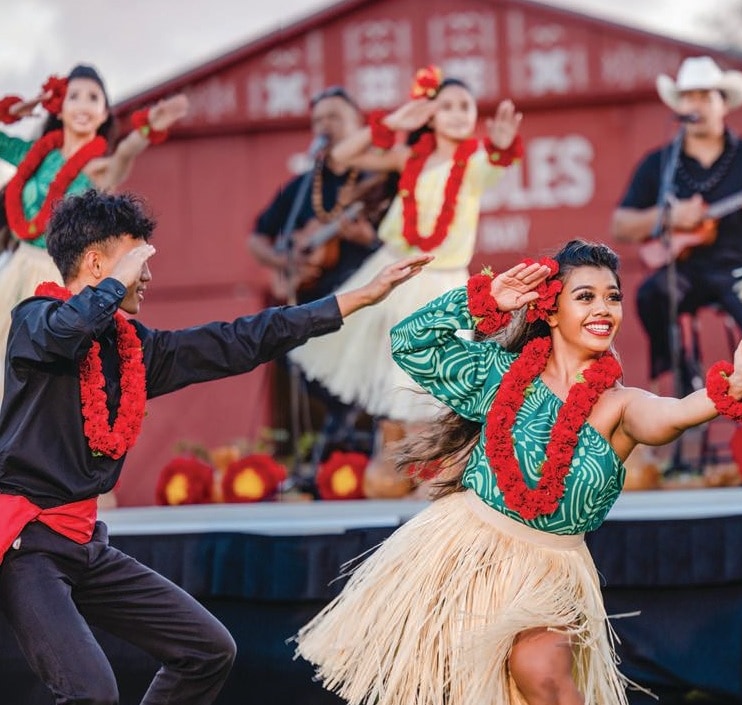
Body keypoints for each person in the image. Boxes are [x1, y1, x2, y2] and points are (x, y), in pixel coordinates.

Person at [294, 239, 742, 705]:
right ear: (549, 311)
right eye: (585, 296)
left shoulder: (620, 407)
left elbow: (672, 414)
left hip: (550, 571)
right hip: (463, 555)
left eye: (612, 297)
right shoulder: (499, 376)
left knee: (542, 673)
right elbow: (411, 344)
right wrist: (486, 300)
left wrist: (732, 388)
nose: (603, 309)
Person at [0, 189, 431, 705]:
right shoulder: (35, 321)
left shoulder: (136, 351)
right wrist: (117, 279)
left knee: (207, 650)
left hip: (85, 543)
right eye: (139, 259)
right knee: (93, 693)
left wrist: (352, 300)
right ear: (97, 264)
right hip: (26, 547)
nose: (149, 274)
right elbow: (63, 332)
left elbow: (239, 340)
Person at [288, 65, 523, 491]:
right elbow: (340, 158)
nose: (455, 113)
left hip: (442, 282)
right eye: (445, 105)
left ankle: (433, 465)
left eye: (464, 106)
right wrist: (395, 122)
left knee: (436, 379)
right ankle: (392, 463)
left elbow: (493, 169)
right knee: (390, 368)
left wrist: (501, 149)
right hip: (395, 270)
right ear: (429, 115)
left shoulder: (473, 160)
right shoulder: (408, 157)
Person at [610, 55, 742, 470]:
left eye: (704, 95)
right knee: (651, 294)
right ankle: (686, 376)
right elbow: (622, 223)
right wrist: (668, 217)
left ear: (723, 102)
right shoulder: (661, 162)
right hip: (688, 269)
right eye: (687, 96)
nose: (695, 103)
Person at [0, 63, 188, 400]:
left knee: (43, 369)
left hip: (59, 277)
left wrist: (143, 134)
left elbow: (124, 157)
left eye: (93, 98)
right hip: (17, 267)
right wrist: (15, 111)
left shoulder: (97, 167)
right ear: (60, 107)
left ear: (104, 114)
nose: (84, 105)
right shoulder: (34, 155)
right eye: (75, 96)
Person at [248, 85, 393, 463]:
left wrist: (370, 238)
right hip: (316, 296)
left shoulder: (379, 178)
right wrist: (286, 262)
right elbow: (256, 239)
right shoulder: (302, 186)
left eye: (335, 117)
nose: (325, 125)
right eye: (318, 120)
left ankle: (366, 434)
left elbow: (404, 242)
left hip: (368, 296)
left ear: (359, 124)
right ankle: (343, 422)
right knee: (287, 351)